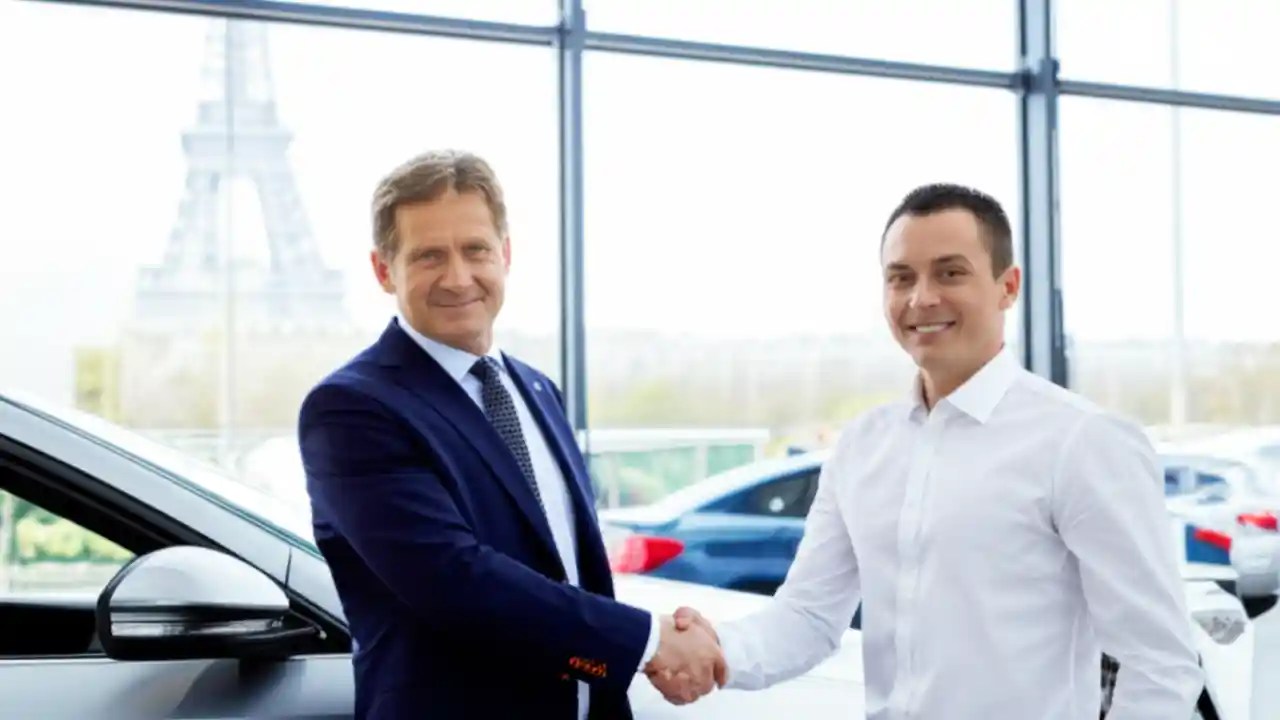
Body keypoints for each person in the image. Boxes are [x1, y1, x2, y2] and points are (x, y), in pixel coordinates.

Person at [671, 183, 1203, 719]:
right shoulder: (862, 446)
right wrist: (717, 648)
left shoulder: (1083, 441)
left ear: (1008, 287)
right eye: (901, 277)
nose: (921, 298)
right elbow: (807, 617)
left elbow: (1160, 663)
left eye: (950, 273)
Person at [298, 150, 723, 720]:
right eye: (429, 256)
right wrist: (647, 642)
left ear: (506, 253)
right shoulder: (351, 410)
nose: (458, 277)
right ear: (383, 270)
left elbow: (570, 573)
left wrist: (632, 652)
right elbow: (454, 580)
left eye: (475, 249)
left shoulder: (538, 390)